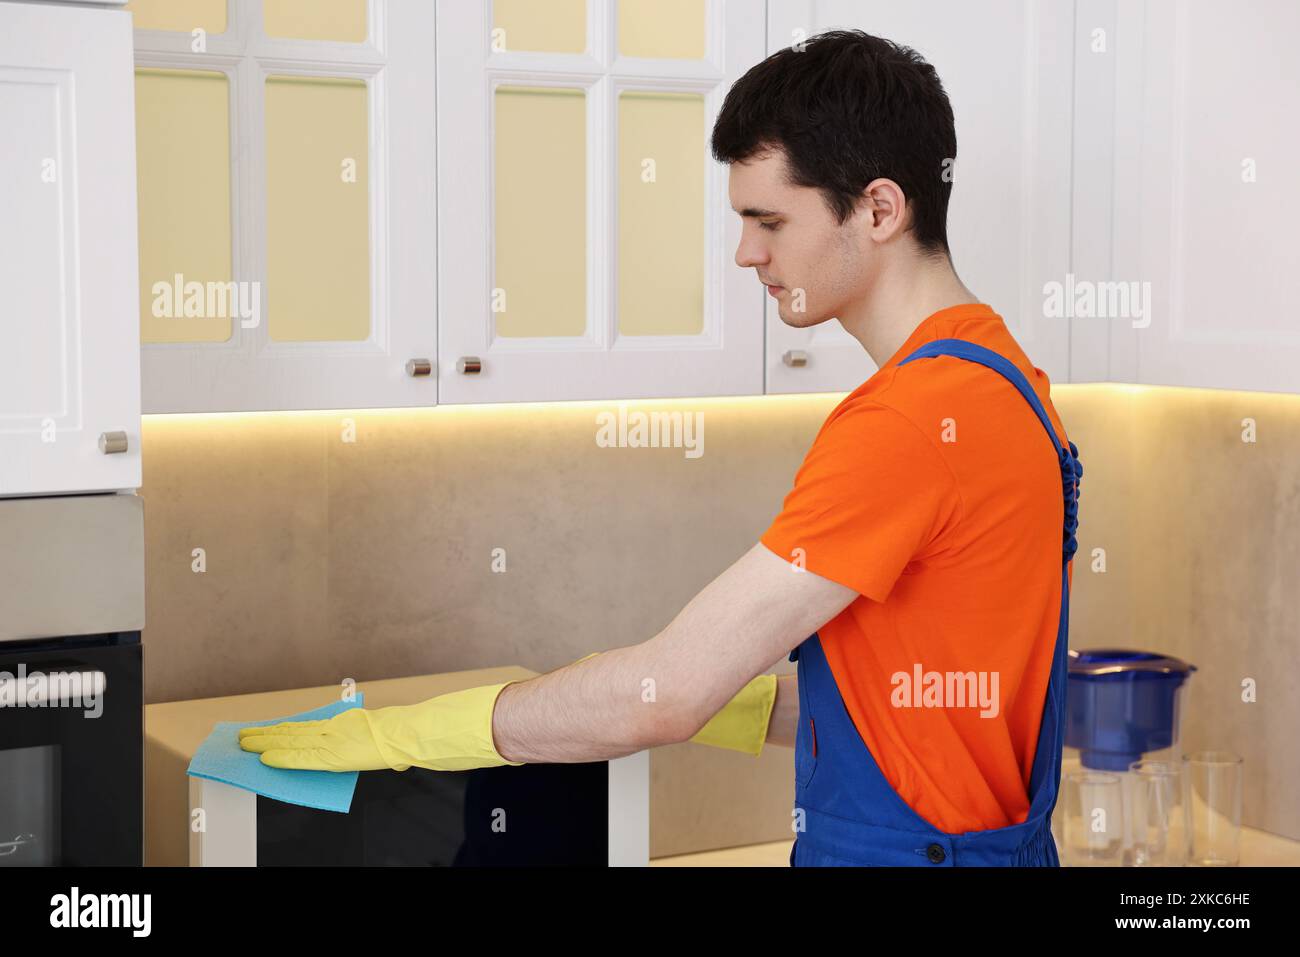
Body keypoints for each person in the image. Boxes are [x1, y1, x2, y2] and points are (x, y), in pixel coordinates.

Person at [240, 29, 1081, 867]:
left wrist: (410, 734)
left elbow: (666, 697)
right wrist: (733, 697)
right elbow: (925, 711)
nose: (748, 252)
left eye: (770, 220)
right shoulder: (1012, 386)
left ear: (880, 209)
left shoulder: (904, 423)